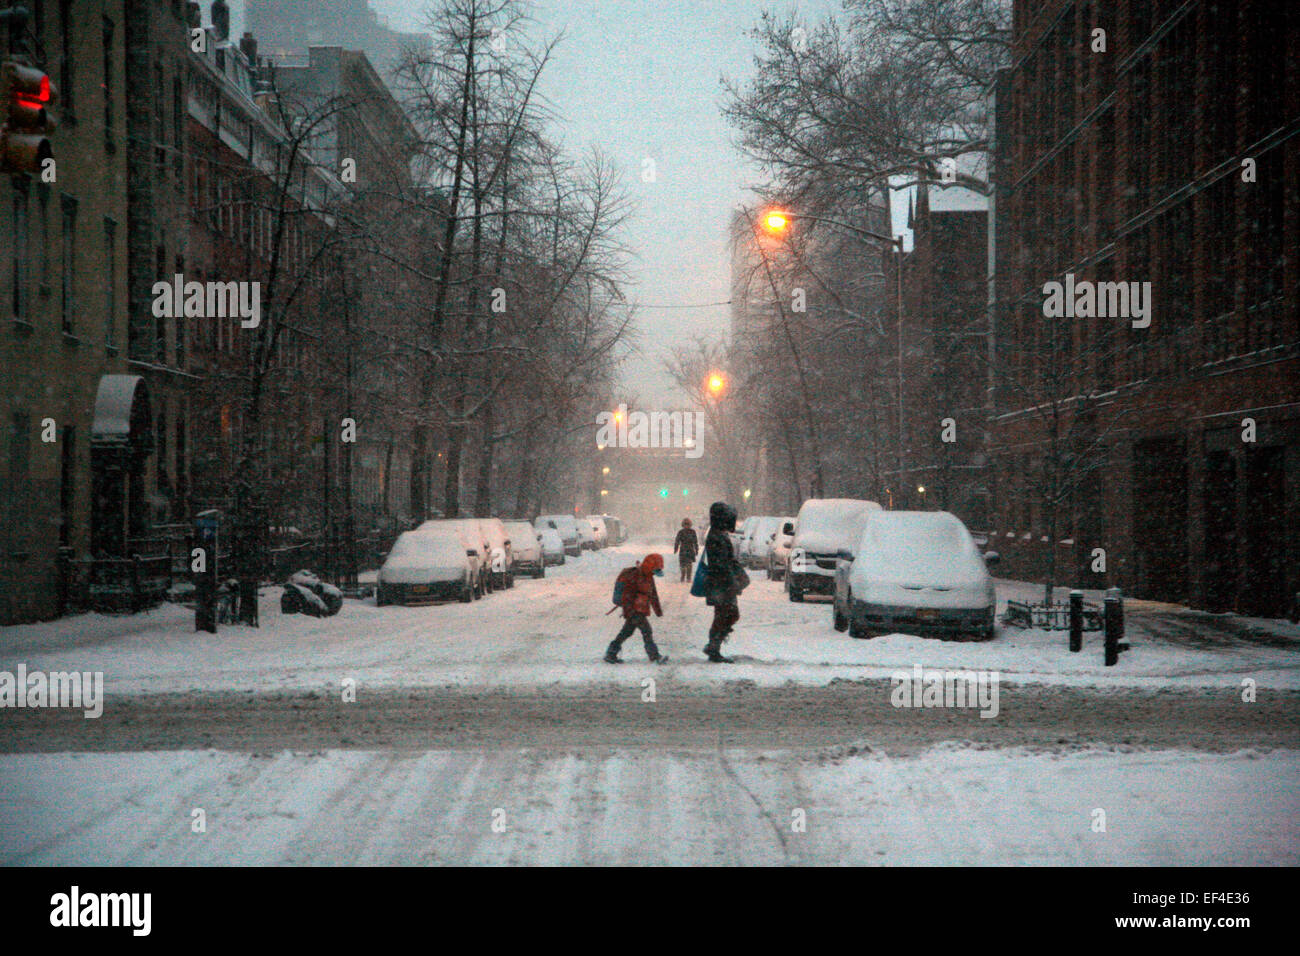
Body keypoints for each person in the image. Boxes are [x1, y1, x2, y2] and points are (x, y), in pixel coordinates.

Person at [604, 553, 668, 664]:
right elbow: (628, 596)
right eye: (654, 570)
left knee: (626, 633)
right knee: (647, 631)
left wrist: (658, 611)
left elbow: (653, 595)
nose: (654, 573)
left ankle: (611, 653)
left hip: (638, 610)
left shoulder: (648, 577)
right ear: (649, 567)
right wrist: (630, 612)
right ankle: (655, 656)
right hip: (634, 611)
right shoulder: (635, 576)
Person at [702, 501, 743, 663]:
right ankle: (714, 646)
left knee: (725, 615)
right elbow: (721, 564)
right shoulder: (716, 536)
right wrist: (732, 580)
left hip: (722, 583)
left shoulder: (718, 534)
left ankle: (714, 645)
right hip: (721, 584)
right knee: (726, 614)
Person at [673, 517, 699, 582]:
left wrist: (696, 549)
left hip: (690, 550)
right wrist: (676, 548)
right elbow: (677, 541)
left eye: (688, 524)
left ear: (690, 525)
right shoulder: (680, 532)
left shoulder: (693, 532)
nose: (686, 526)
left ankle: (688, 578)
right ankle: (682, 577)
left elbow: (695, 541)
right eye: (685, 524)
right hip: (683, 550)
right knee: (683, 565)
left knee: (689, 565)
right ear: (683, 525)